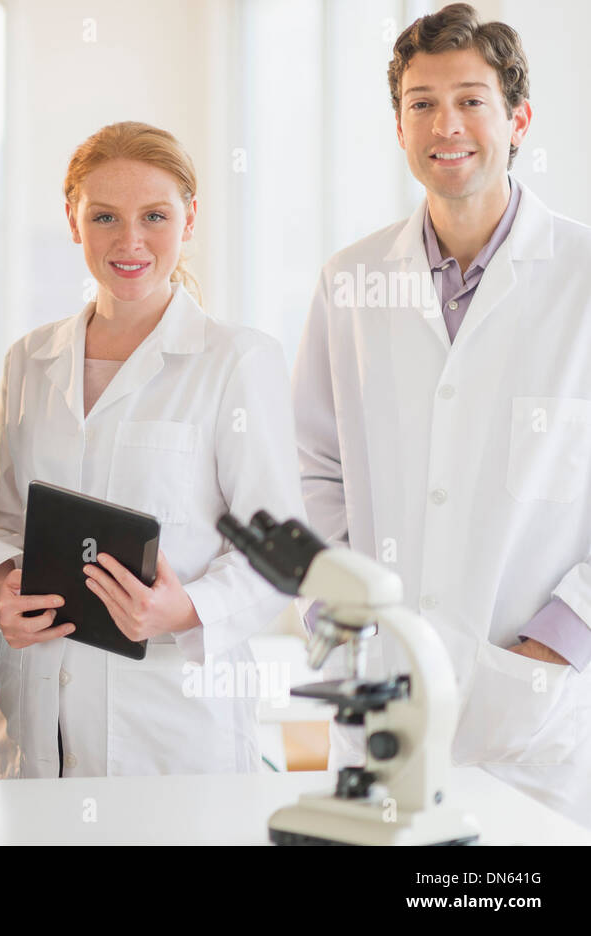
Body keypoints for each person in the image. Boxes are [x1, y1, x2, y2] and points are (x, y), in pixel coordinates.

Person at [294, 3, 591, 826]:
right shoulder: (350, 280)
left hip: (532, 718)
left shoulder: (582, 277)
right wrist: (336, 612)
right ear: (399, 126)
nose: (445, 124)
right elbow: (310, 467)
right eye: (421, 102)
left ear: (517, 118)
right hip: (380, 699)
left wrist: (560, 642)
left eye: (470, 99)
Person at [0, 122, 305, 778]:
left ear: (190, 219)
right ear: (73, 220)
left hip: (170, 731)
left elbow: (282, 554)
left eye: (154, 215)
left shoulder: (235, 361)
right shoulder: (31, 361)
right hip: (36, 720)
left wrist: (185, 609)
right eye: (104, 217)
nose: (129, 241)